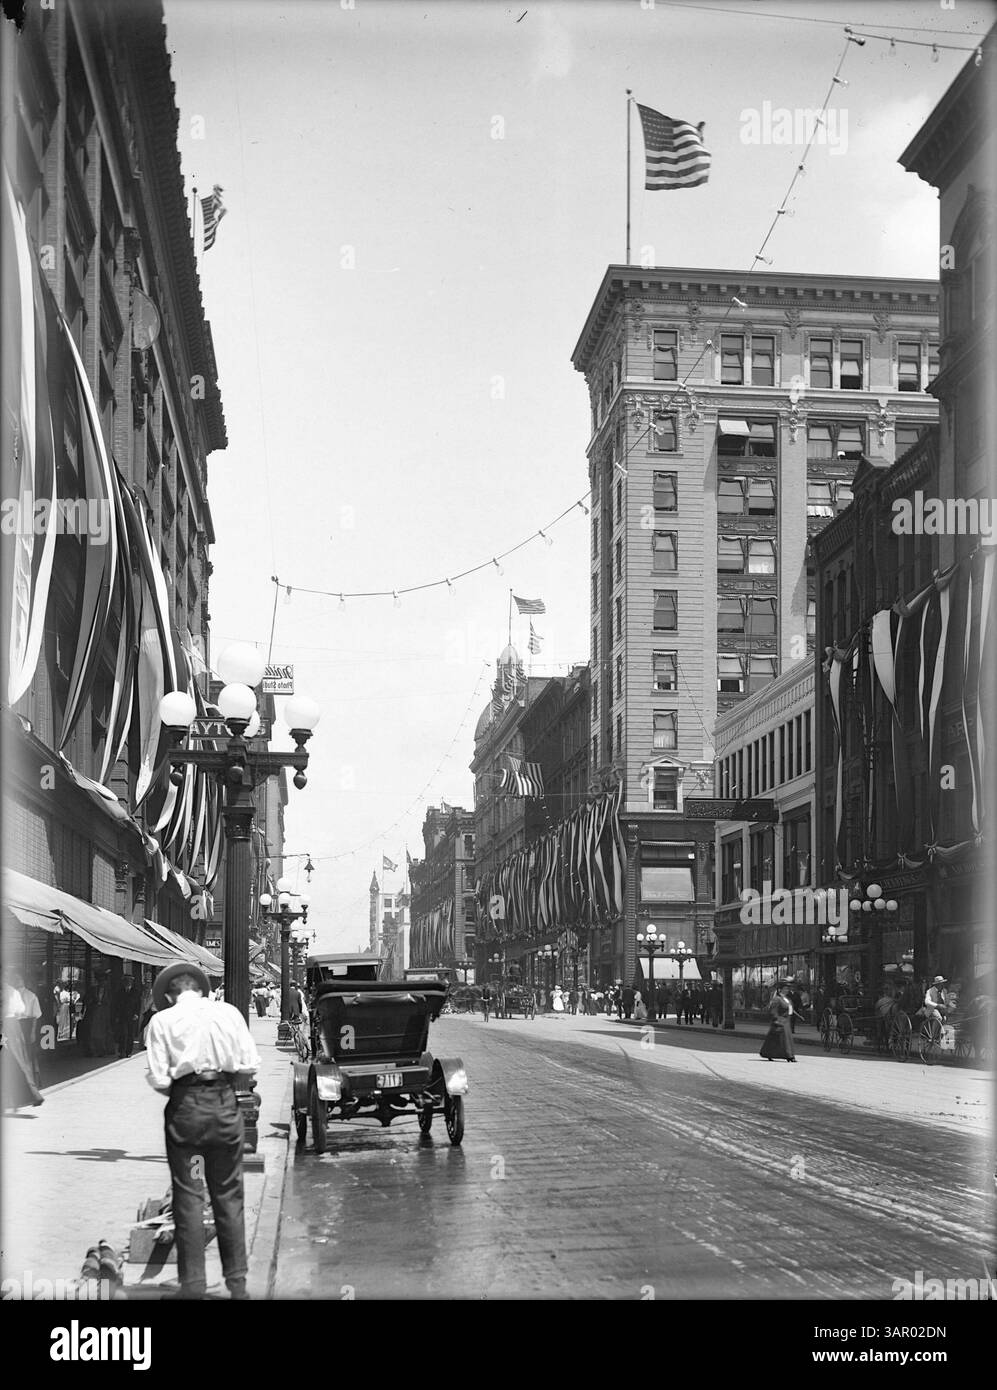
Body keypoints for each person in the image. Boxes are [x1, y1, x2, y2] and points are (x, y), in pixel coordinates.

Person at [145, 961, 261, 1300]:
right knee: (228, 1194)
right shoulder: (228, 1013)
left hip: (186, 1111)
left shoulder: (161, 1021)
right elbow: (250, 1063)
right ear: (199, 988)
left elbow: (159, 1077)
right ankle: (237, 1284)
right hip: (224, 1105)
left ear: (170, 994)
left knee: (189, 1195)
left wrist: (183, 1090)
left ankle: (193, 1286)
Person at [2, 976, 44, 1110]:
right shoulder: (13, 991)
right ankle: (31, 1094)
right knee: (21, 1061)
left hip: (6, 1025)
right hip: (15, 1026)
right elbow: (20, 1009)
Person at [760, 981, 797, 1062]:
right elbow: (773, 1011)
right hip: (780, 1021)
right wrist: (776, 1019)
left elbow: (790, 1009)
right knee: (783, 1039)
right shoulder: (777, 999)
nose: (787, 990)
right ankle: (789, 1055)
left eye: (787, 989)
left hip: (786, 1021)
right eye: (785, 989)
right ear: (780, 990)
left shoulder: (787, 999)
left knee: (784, 1039)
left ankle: (789, 1054)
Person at [112, 973, 142, 1058]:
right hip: (122, 1015)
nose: (128, 982)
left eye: (129, 980)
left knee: (130, 1034)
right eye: (126, 980)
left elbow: (138, 1004)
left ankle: (128, 1051)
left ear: (132, 982)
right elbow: (116, 1004)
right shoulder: (119, 992)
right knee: (123, 1033)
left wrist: (136, 1013)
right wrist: (116, 1015)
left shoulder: (135, 992)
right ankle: (121, 1051)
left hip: (132, 1016)